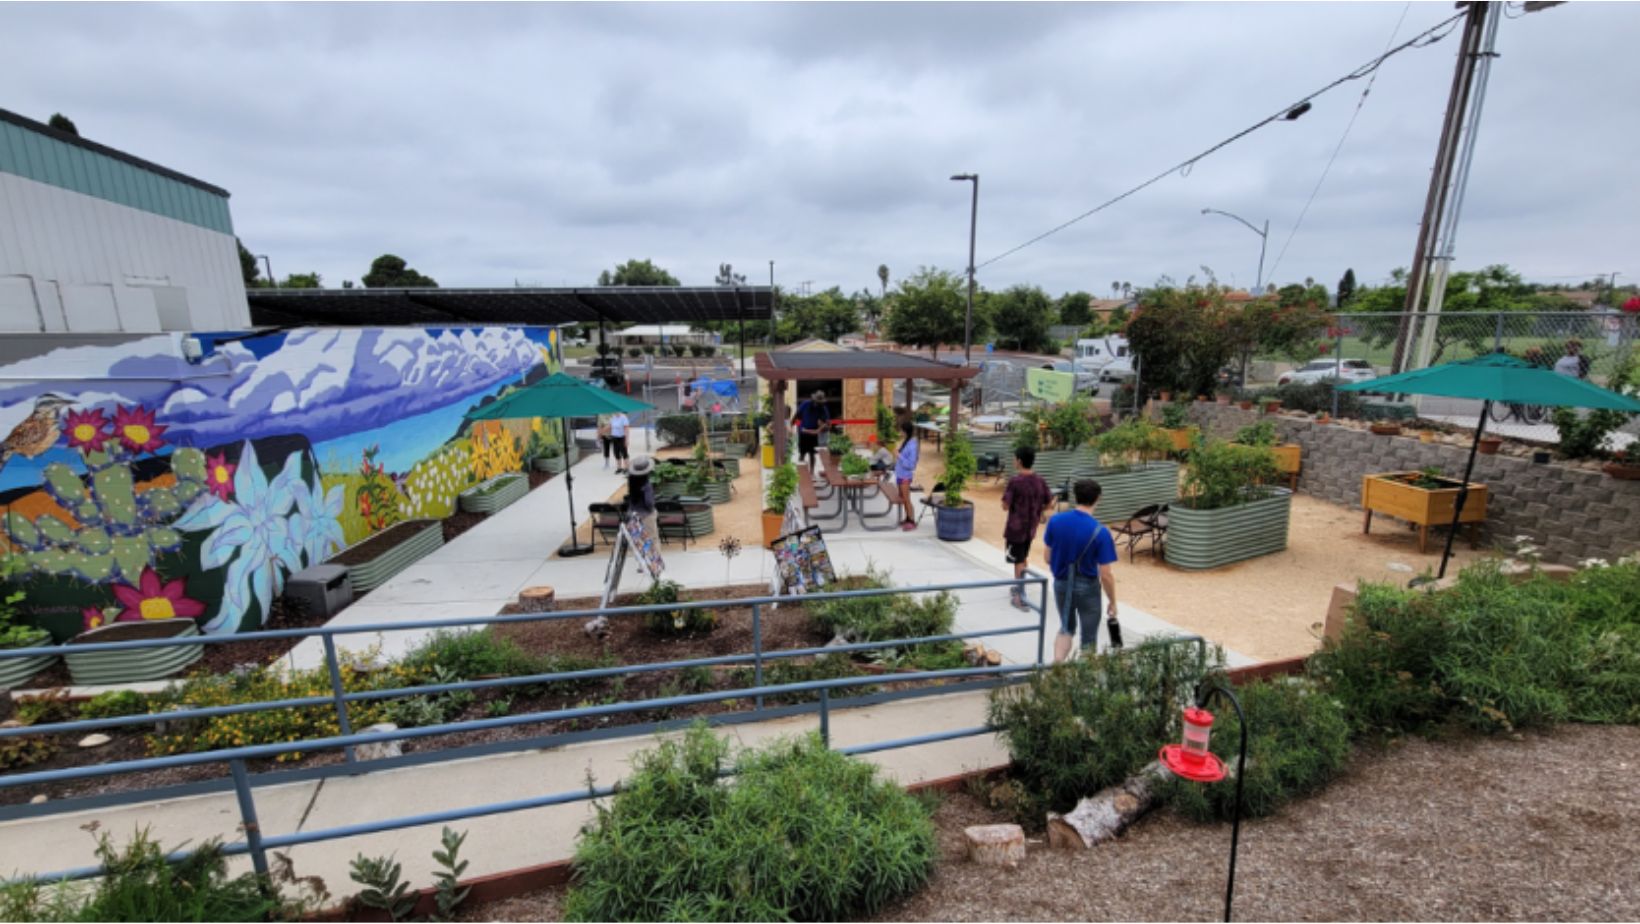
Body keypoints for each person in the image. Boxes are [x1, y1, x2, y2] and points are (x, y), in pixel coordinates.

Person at [1041, 479, 1119, 662]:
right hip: (1088, 588)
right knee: (1088, 638)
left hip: (1061, 584)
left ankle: (1057, 667)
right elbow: (1106, 574)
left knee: (1066, 628)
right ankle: (1082, 680)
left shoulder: (1056, 521)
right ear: (1097, 499)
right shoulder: (1101, 532)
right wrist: (1112, 601)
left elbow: (1047, 557)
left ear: (1076, 496)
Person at [1000, 446, 1053, 611]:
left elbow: (1005, 506)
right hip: (1031, 528)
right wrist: (1038, 511)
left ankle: (1020, 597)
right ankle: (1019, 586)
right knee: (1022, 558)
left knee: (1018, 561)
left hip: (1016, 529)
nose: (1013, 461)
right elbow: (1050, 503)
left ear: (1020, 461)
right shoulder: (1040, 481)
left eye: (1015, 458)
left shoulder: (1015, 482)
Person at [792, 390, 831, 471]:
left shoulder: (822, 407)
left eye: (820, 403)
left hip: (813, 433)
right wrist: (791, 425)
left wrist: (822, 428)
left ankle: (812, 472)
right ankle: (801, 472)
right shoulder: (805, 404)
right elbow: (797, 415)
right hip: (803, 432)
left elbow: (827, 423)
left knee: (812, 454)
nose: (818, 404)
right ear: (813, 400)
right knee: (802, 453)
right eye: (817, 402)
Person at [894, 418, 919, 530]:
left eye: (902, 431)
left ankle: (912, 521)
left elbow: (911, 464)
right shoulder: (906, 442)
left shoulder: (912, 445)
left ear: (906, 431)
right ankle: (907, 518)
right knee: (903, 498)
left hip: (905, 476)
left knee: (907, 499)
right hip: (900, 475)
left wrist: (899, 456)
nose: (900, 433)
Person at [625, 455, 658, 540]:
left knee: (639, 542)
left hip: (633, 516)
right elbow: (649, 503)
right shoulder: (647, 485)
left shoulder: (631, 483)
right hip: (646, 516)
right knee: (652, 541)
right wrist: (653, 510)